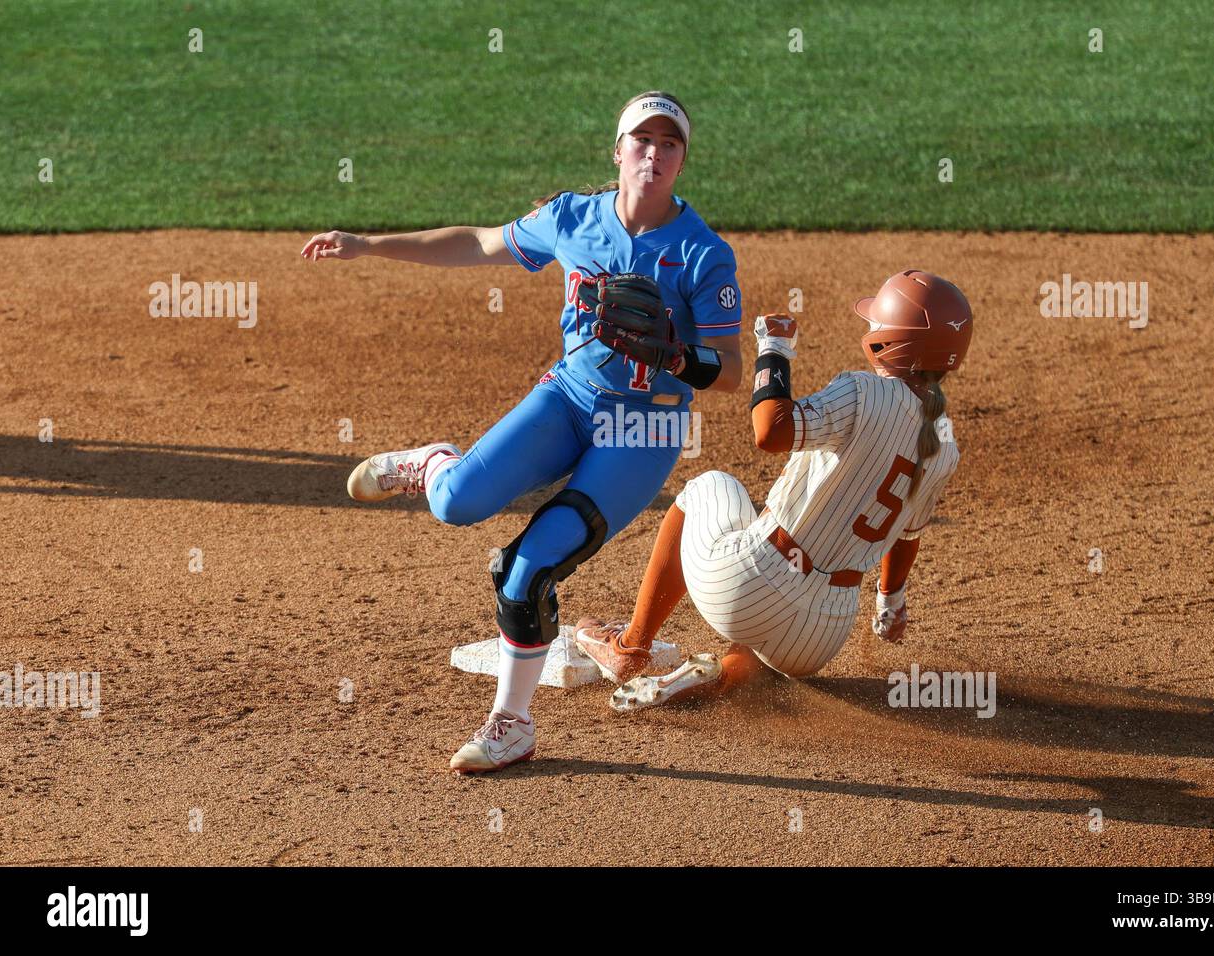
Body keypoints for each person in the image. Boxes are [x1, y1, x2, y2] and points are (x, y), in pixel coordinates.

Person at [300, 91, 743, 770]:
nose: (654, 154)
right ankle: (432, 464)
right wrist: (366, 244)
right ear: (618, 151)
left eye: (670, 143)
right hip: (567, 398)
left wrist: (678, 358)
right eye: (642, 141)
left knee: (527, 569)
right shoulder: (571, 218)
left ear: (682, 160)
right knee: (455, 503)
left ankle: (512, 724)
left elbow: (733, 371)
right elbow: (478, 243)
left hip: (642, 428)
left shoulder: (703, 253)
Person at [572, 270, 973, 710]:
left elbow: (771, 431)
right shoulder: (945, 443)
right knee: (759, 651)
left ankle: (629, 647)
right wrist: (889, 603)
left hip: (746, 585)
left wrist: (775, 350)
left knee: (708, 486)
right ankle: (715, 677)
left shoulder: (863, 392)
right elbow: (907, 537)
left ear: (889, 339)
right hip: (820, 637)